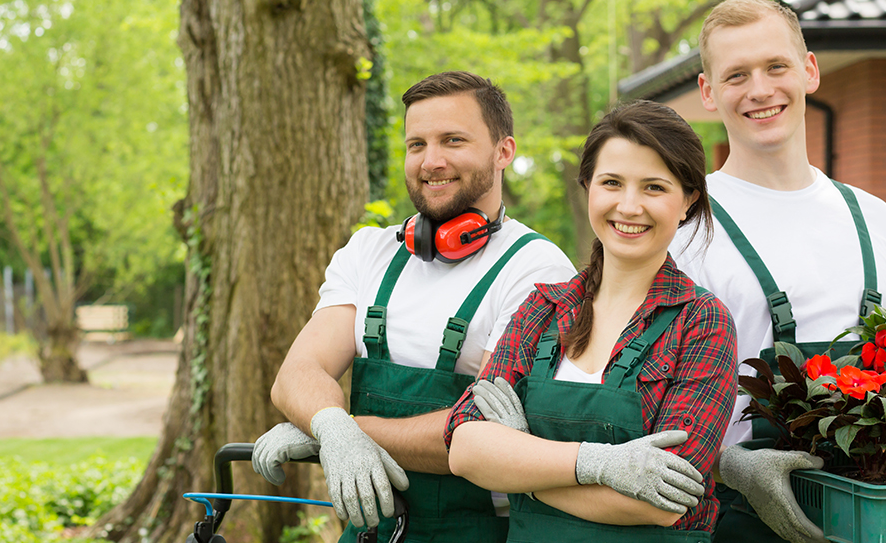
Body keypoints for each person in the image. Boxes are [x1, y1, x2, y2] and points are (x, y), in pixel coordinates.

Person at [251, 71, 577, 543]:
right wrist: (331, 426)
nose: (432, 161)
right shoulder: (370, 252)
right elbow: (298, 373)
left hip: (479, 532)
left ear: (504, 151)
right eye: (417, 144)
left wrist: (342, 430)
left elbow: (480, 431)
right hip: (370, 531)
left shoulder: (538, 269)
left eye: (453, 140)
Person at [670, 0, 886, 543]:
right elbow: (649, 397)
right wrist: (729, 465)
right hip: (732, 520)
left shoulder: (873, 218)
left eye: (775, 66)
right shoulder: (683, 227)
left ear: (809, 71)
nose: (760, 90)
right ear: (709, 93)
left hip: (874, 519)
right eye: (736, 75)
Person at [444, 100, 738, 543]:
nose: (629, 205)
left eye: (654, 188)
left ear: (687, 200)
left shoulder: (701, 323)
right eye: (612, 183)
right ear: (588, 188)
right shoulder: (542, 309)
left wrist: (522, 470)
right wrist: (595, 465)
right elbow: (466, 449)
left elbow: (663, 500)